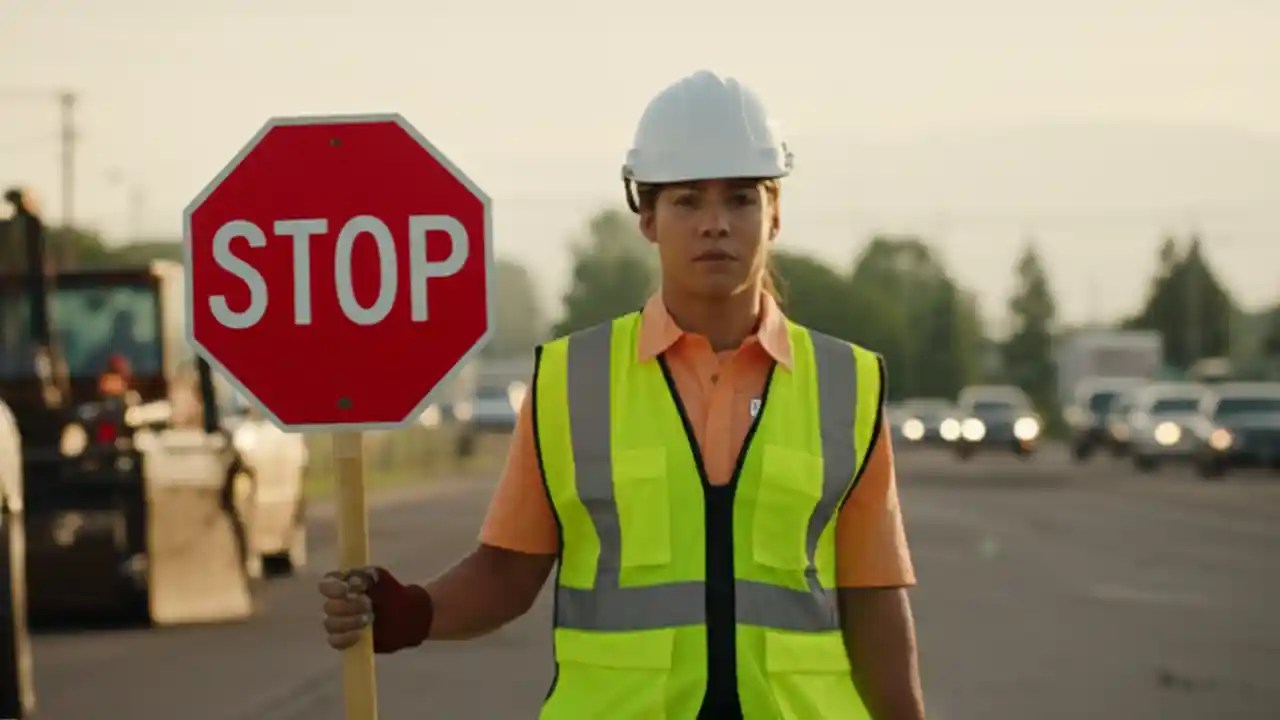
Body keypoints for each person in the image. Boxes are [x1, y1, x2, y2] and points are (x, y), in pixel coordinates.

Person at [319, 69, 926, 719]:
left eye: (741, 199)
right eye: (688, 200)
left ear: (774, 214)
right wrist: (415, 611)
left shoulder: (845, 383)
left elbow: (874, 599)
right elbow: (507, 573)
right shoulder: (571, 379)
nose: (715, 224)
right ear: (647, 218)